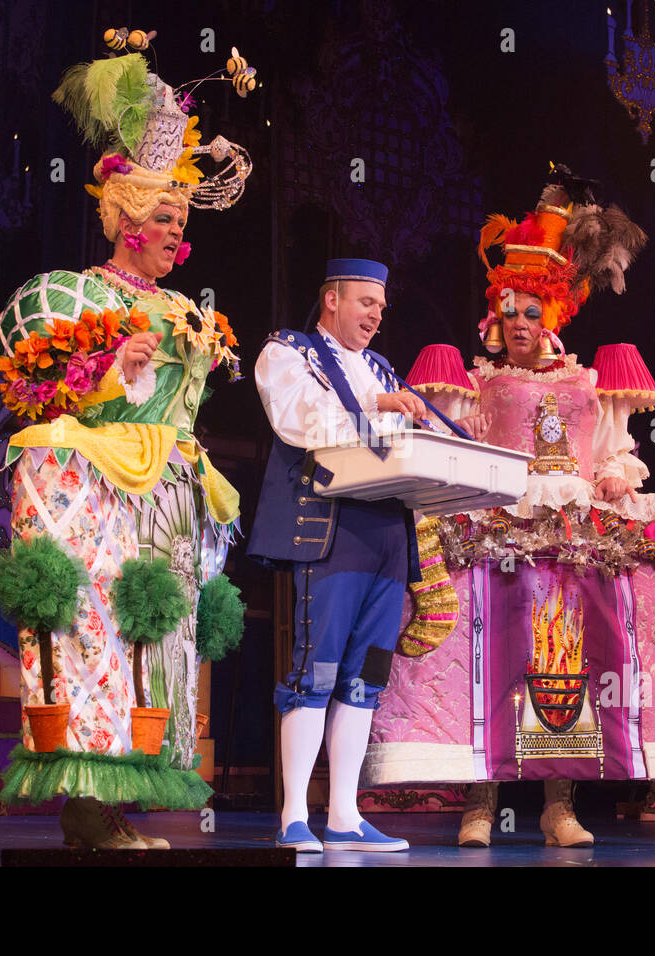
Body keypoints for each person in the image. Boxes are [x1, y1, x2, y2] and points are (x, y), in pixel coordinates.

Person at [362, 167, 655, 847]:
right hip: (499, 538)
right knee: (493, 664)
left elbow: (610, 450)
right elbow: (457, 448)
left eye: (530, 313)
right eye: (508, 312)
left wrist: (621, 475)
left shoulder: (586, 380)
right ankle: (480, 804)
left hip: (571, 540)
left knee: (562, 663)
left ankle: (557, 805)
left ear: (553, 315)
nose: (517, 325)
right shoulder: (479, 382)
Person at [0, 31, 252, 850]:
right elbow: (31, 391)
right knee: (92, 637)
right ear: (126, 220)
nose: (181, 233)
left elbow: (177, 407)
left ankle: (111, 807)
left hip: (167, 495)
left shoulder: (189, 311)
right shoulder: (73, 296)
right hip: (98, 489)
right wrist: (110, 366)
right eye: (167, 217)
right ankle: (85, 806)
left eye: (182, 218)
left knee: (155, 648)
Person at [246, 258, 427, 853]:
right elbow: (302, 423)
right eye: (364, 302)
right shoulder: (287, 352)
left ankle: (346, 815)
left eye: (381, 305)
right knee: (315, 669)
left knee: (367, 675)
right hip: (330, 531)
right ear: (331, 300)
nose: (376, 314)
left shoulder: (381, 368)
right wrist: (383, 409)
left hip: (386, 538)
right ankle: (295, 814)